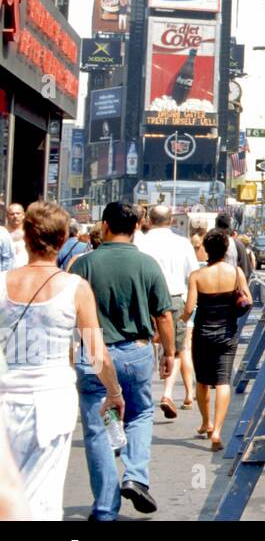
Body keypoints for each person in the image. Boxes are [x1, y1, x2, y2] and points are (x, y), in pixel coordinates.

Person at [1, 202, 124, 520]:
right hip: (52, 398)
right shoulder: (74, 288)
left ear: (25, 238)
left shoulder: (1, 283)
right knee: (42, 496)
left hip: (5, 396)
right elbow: (96, 352)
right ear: (63, 240)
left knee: (7, 493)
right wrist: (114, 392)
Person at [70, 201, 175, 520]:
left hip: (94, 353)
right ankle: (135, 476)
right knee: (141, 413)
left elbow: (70, 313)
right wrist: (169, 353)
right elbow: (164, 316)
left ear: (105, 225)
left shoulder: (83, 264)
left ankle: (104, 508)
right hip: (136, 351)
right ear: (135, 228)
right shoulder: (147, 264)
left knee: (98, 427)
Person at [183, 231, 250, 452]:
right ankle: (219, 432)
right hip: (227, 333)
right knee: (222, 381)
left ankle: (206, 422)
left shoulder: (197, 276)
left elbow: (190, 308)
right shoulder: (236, 272)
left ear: (206, 249)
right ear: (226, 249)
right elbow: (247, 299)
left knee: (202, 381)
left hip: (203, 333)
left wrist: (179, 320)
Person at [134, 205, 200, 419]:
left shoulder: (140, 241)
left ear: (149, 221)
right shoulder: (182, 243)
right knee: (177, 348)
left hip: (144, 298)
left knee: (142, 343)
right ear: (171, 221)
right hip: (173, 298)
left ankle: (139, 391)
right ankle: (168, 393)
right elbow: (193, 275)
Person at [7, 202, 28, 269]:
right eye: (12, 214)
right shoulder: (2, 233)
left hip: (25, 271)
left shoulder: (30, 233)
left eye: (18, 213)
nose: (15, 216)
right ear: (7, 216)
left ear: (23, 215)